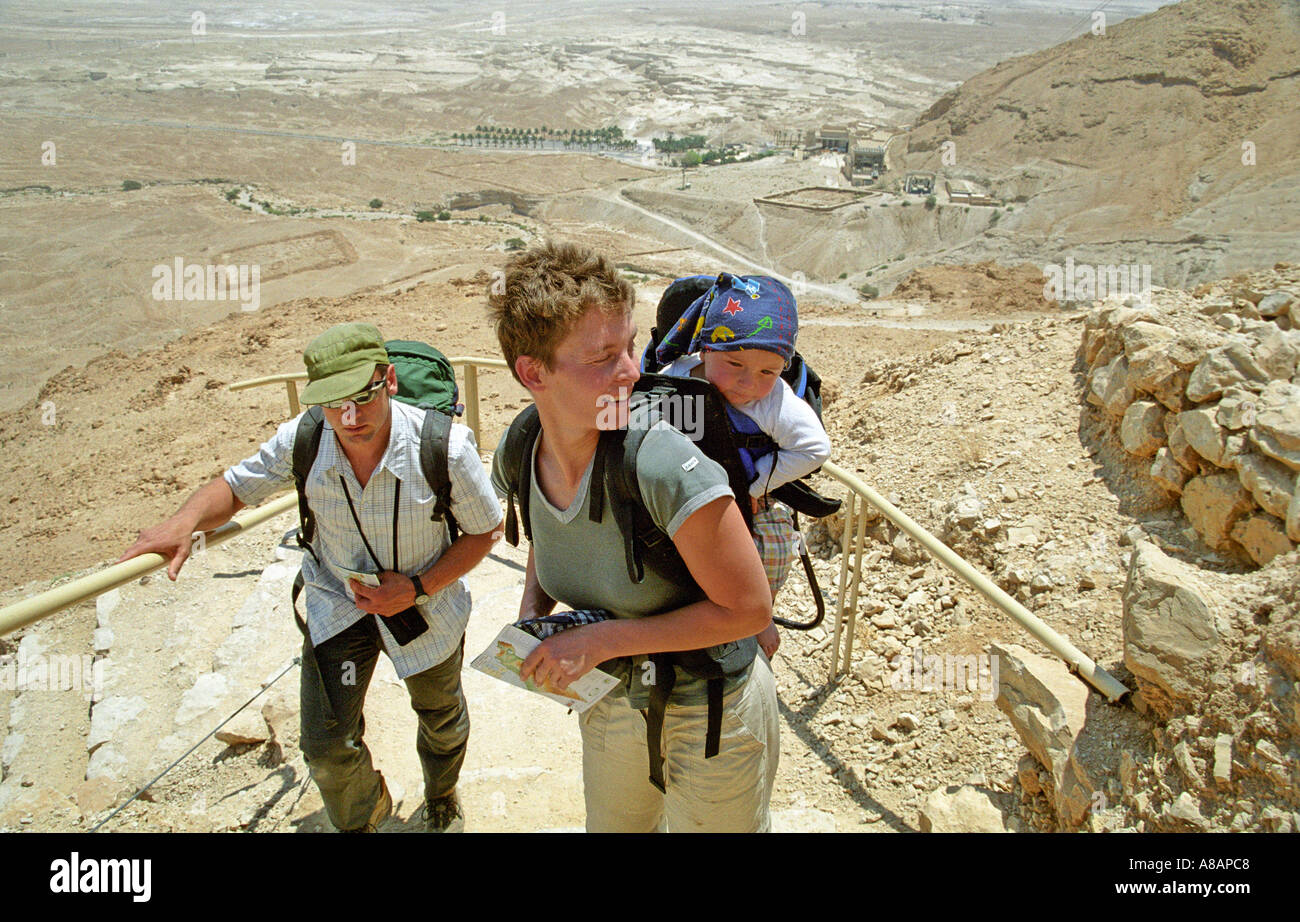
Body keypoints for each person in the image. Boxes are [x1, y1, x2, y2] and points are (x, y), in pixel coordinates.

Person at [117, 322, 503, 833]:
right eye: (333, 401)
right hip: (338, 605)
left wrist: (414, 588)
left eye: (362, 396)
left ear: (388, 380)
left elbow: (484, 532)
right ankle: (365, 816)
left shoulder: (445, 448)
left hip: (426, 610)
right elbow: (234, 489)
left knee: (440, 718)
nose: (349, 416)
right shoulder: (304, 439)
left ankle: (442, 794)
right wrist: (185, 520)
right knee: (325, 746)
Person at [487, 241, 779, 833]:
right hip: (614, 701)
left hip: (710, 710)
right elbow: (554, 533)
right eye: (603, 358)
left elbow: (749, 609)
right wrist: (532, 617)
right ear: (532, 372)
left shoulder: (659, 461)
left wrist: (600, 641)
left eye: (627, 347)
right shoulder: (520, 452)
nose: (632, 371)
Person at [652, 272, 832, 658]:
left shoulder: (774, 402)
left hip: (750, 502)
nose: (748, 383)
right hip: (686, 491)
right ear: (705, 351)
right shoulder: (678, 376)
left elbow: (814, 447)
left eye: (767, 371)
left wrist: (756, 485)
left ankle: (756, 617)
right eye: (734, 363)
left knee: (768, 552)